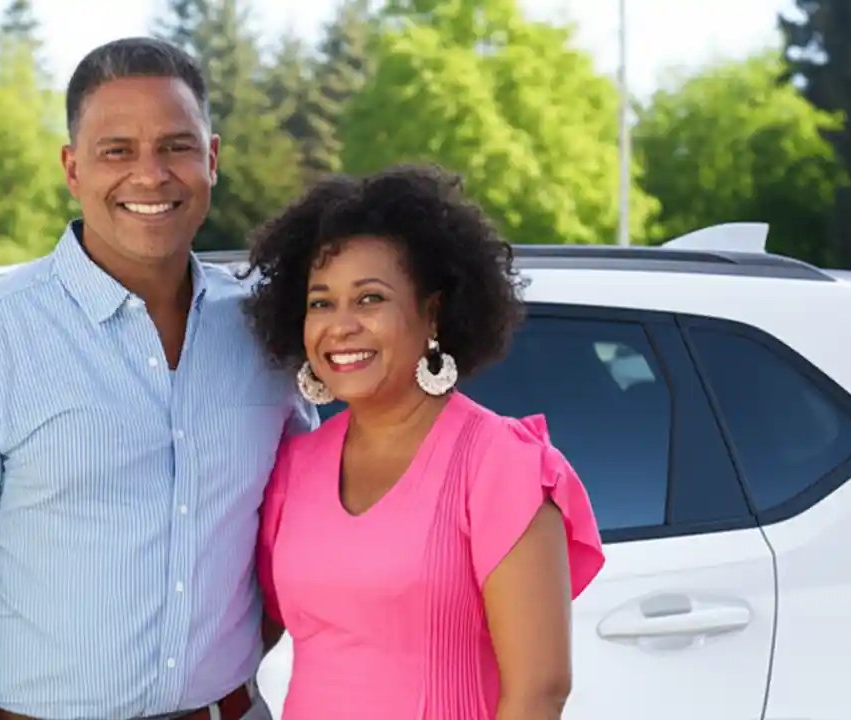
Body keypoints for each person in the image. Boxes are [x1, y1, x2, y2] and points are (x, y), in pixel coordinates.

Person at [0, 37, 316, 720]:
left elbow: (297, 540)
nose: (150, 175)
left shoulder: (265, 335)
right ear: (72, 168)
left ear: (212, 159)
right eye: (117, 150)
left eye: (176, 146)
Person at [241, 164, 606, 720]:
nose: (340, 326)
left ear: (431, 312)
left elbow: (540, 689)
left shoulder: (501, 464)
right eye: (321, 302)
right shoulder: (295, 466)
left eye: (369, 299)